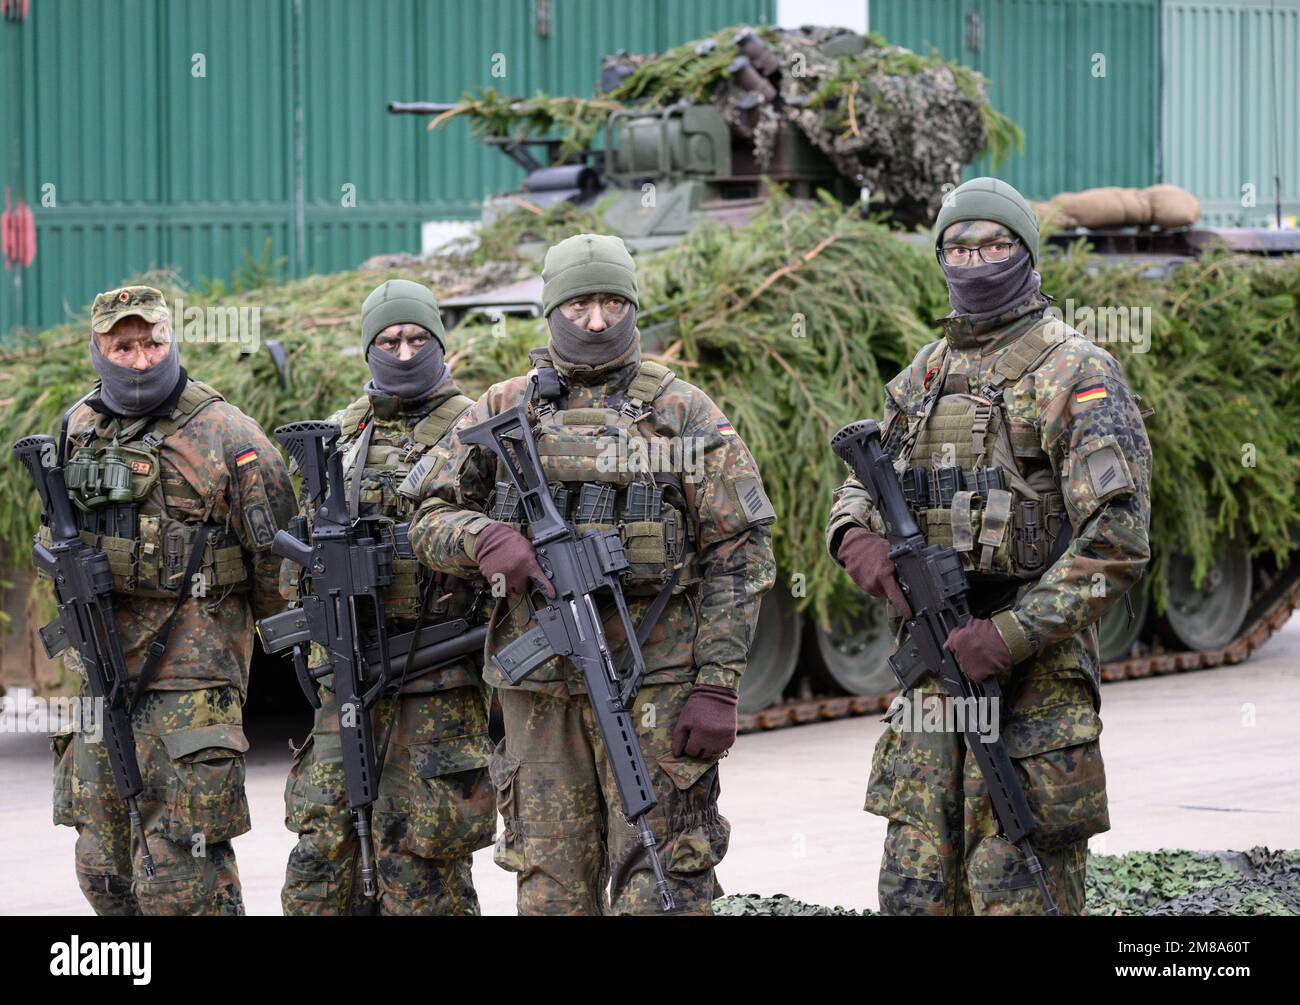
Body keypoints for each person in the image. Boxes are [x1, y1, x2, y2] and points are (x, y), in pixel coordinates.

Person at [409, 234, 776, 914]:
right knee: (549, 884)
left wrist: (718, 685)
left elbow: (740, 553)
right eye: (580, 304)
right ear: (551, 311)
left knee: (665, 878)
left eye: (613, 302)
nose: (599, 321)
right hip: (539, 692)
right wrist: (482, 536)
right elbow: (427, 514)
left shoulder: (682, 412)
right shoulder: (500, 408)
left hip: (654, 679)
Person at [826, 178, 1152, 915]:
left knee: (1020, 887)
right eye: (959, 247)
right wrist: (855, 539)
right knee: (915, 889)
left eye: (993, 244)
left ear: (1026, 253)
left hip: (1029, 682)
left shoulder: (1076, 372)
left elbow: (1117, 541)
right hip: (935, 681)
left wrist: (1005, 635)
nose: (975, 261)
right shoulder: (926, 373)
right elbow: (863, 481)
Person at [45, 284, 295, 915]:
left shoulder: (228, 436)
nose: (139, 358)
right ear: (98, 347)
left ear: (171, 340)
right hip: (100, 673)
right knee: (102, 866)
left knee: (182, 876)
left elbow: (280, 568)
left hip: (191, 682)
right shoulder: (78, 428)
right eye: (122, 345)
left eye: (152, 341)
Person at [280, 279, 494, 915]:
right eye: (390, 340)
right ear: (369, 347)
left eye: (418, 338)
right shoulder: (338, 438)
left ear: (438, 342)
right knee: (320, 855)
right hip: (344, 674)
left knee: (425, 866)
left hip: (437, 676)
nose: (404, 353)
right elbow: (296, 537)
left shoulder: (477, 427)